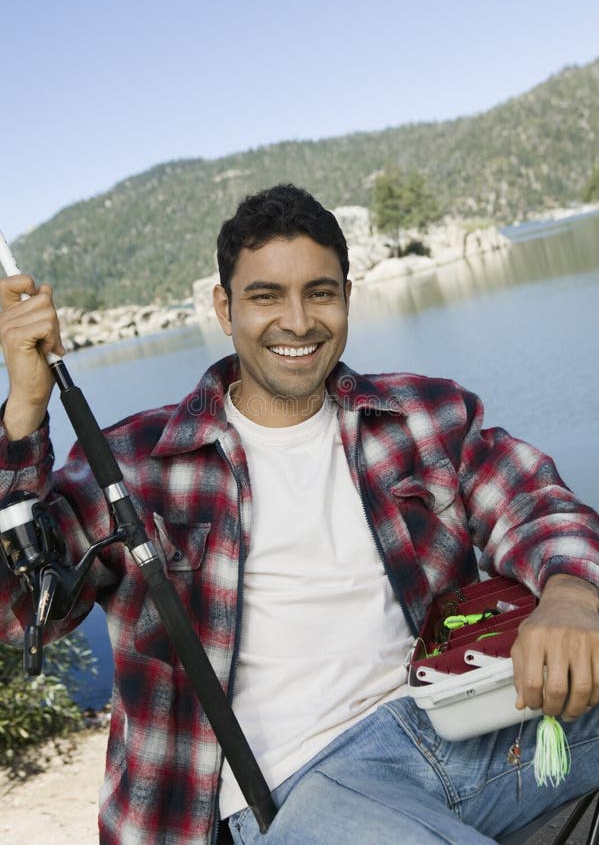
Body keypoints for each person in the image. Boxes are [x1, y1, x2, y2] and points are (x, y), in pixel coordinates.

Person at [0, 183, 598, 845]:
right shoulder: (135, 461)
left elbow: (531, 499)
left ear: (346, 296)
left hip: (466, 722)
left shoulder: (425, 413)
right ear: (223, 308)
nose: (298, 320)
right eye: (265, 296)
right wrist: (24, 412)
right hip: (305, 787)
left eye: (319, 291)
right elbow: (18, 611)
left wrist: (570, 593)